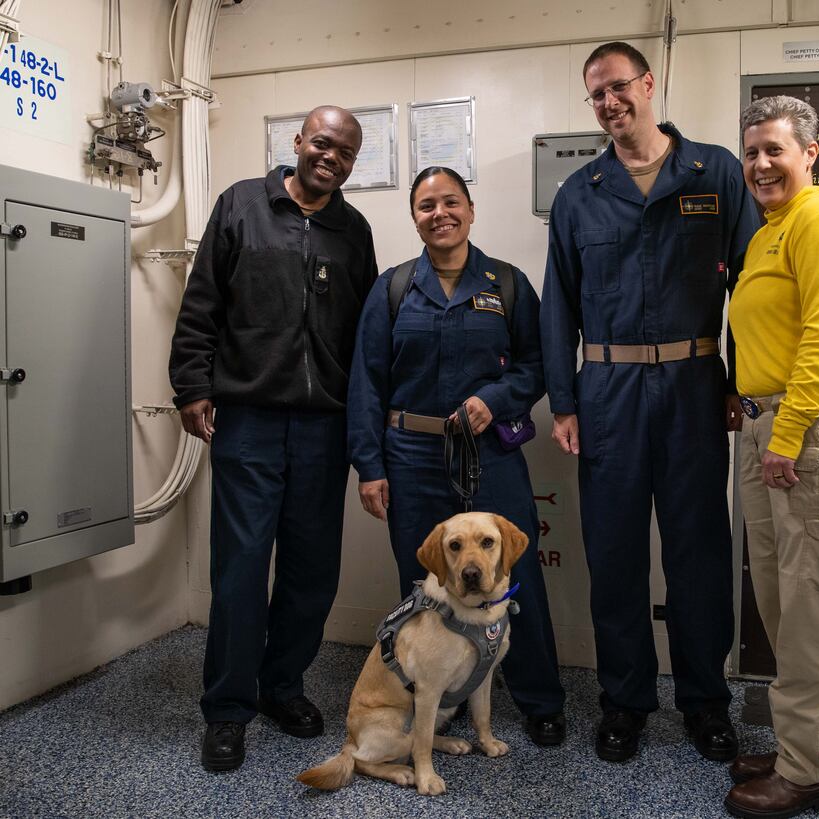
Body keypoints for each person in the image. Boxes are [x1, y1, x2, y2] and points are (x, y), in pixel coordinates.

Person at [540, 41, 760, 763]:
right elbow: (557, 304)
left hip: (695, 388)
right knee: (615, 555)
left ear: (648, 83)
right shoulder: (580, 193)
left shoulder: (715, 172)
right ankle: (625, 701)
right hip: (608, 396)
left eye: (618, 87)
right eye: (596, 94)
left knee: (700, 552)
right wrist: (564, 401)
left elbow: (751, 288)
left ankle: (705, 702)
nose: (609, 103)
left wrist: (738, 383)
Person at [169, 106, 377, 773]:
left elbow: (366, 334)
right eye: (322, 143)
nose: (331, 157)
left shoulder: (353, 229)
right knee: (240, 569)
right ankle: (228, 709)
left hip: (324, 426)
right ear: (298, 142)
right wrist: (191, 385)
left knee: (312, 572)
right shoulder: (241, 205)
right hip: (250, 419)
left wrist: (366, 421)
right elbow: (202, 302)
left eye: (345, 152)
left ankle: (280, 685)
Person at [347, 166, 567, 746]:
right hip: (410, 457)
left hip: (488, 453)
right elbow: (366, 382)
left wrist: (496, 399)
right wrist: (370, 466)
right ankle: (438, 698)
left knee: (513, 576)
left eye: (451, 202)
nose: (439, 214)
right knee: (427, 584)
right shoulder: (393, 288)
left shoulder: (508, 284)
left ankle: (540, 700)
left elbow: (537, 366)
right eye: (426, 206)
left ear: (470, 210)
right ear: (414, 217)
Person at [723, 96, 819, 819]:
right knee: (783, 604)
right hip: (770, 427)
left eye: (774, 150)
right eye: (751, 152)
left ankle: (809, 772)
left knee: (814, 607)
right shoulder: (769, 234)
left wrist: (785, 434)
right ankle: (811, 746)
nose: (760, 164)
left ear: (809, 153)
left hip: (812, 428)